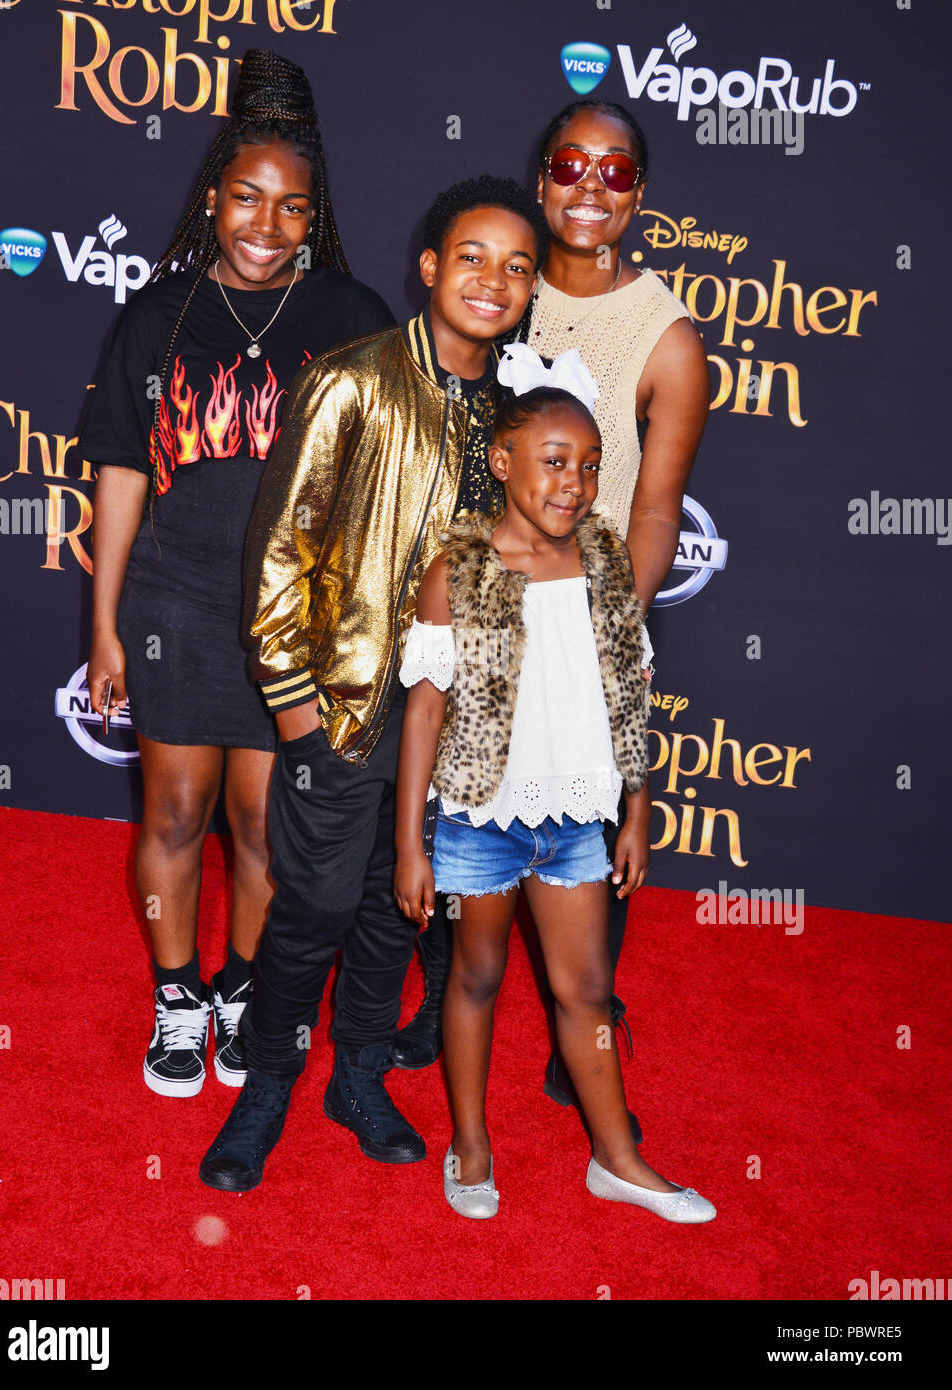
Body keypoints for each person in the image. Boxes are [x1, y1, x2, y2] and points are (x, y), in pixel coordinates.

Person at [197, 176, 548, 1193]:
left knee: (400, 913)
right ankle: (265, 1085)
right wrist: (299, 711)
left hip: (456, 724)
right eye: (472, 257)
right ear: (429, 266)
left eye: (516, 266)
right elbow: (278, 551)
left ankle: (357, 1075)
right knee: (306, 909)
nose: (493, 280)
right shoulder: (350, 381)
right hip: (341, 713)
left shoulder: (513, 417)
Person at [81, 50, 394, 1100]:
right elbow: (122, 471)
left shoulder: (353, 317)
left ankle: (242, 986)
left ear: (314, 215)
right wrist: (106, 623)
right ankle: (177, 999)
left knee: (265, 824)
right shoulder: (157, 314)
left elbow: (377, 485)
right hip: (172, 598)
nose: (266, 223)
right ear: (213, 196)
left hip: (291, 620)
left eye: (290, 207)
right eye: (247, 198)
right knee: (173, 814)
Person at [393, 101, 709, 1121]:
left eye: (615, 172)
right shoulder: (504, 288)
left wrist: (604, 621)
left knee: (579, 825)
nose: (589, 186)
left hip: (583, 611)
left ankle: (583, 1028)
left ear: (639, 196)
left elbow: (656, 508)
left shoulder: (666, 341)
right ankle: (448, 995)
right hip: (473, 603)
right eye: (570, 164)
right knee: (467, 807)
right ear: (539, 179)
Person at [392, 372, 715, 1223]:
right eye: (554, 460)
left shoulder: (608, 564)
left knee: (585, 992)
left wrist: (635, 813)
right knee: (476, 977)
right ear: (502, 461)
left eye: (590, 466)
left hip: (576, 818)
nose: (573, 483)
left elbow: (630, 698)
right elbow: (424, 712)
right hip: (477, 821)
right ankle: (470, 1142)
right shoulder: (457, 572)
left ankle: (617, 1159)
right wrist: (410, 847)